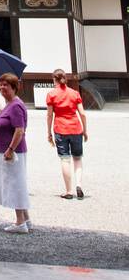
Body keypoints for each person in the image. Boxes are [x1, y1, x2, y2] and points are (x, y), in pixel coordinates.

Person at [0, 73, 30, 233]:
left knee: (15, 184)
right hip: (5, 149)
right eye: (1, 84)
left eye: (6, 85)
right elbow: (6, 125)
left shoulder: (16, 105)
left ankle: (20, 222)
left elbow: (19, 130)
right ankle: (25, 218)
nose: (2, 88)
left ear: (14, 87)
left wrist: (10, 149)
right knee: (16, 182)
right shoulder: (9, 104)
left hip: (12, 152)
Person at [46, 68, 88, 199]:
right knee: (77, 158)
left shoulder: (51, 94)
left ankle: (69, 191)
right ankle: (79, 185)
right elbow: (82, 113)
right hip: (76, 128)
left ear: (54, 79)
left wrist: (49, 133)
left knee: (65, 159)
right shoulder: (75, 93)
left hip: (60, 128)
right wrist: (85, 130)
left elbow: (49, 115)